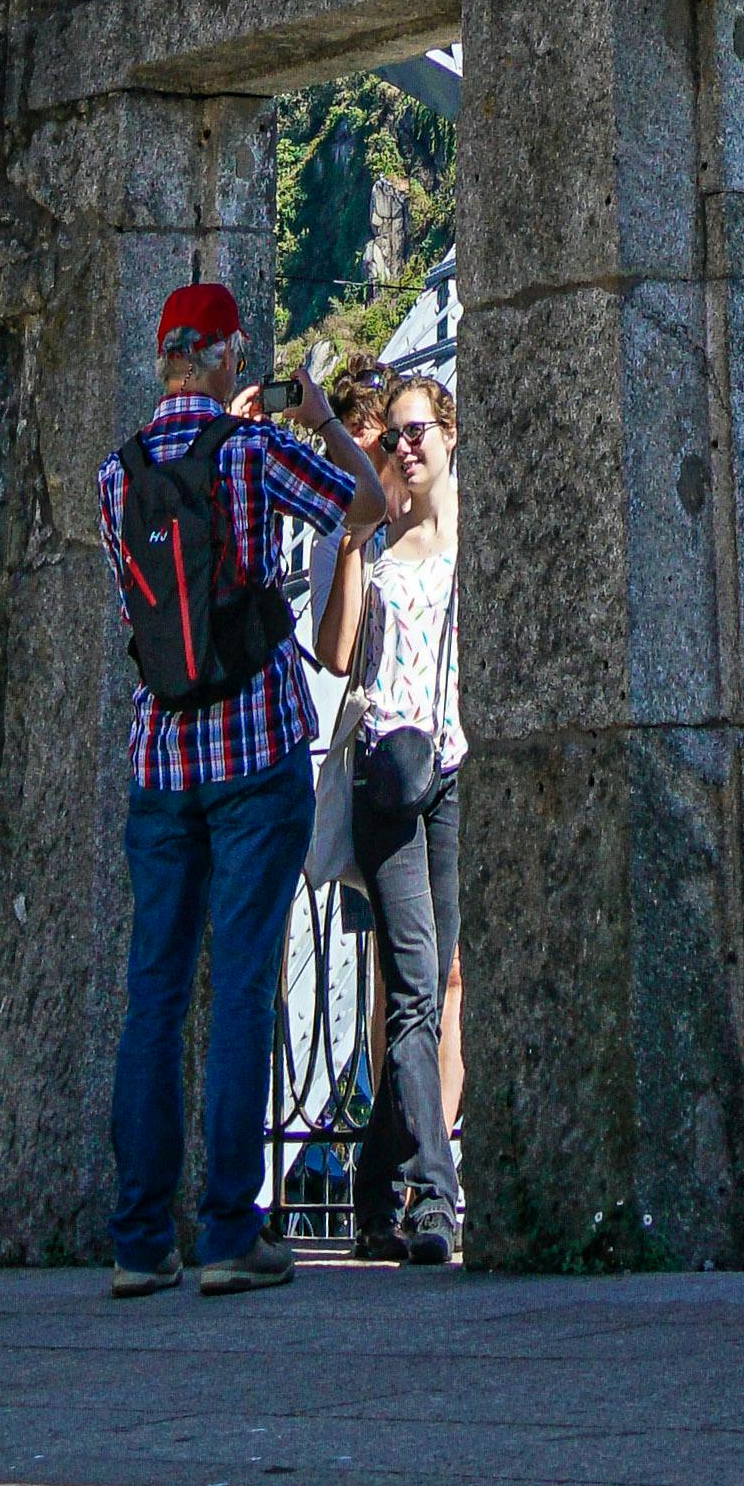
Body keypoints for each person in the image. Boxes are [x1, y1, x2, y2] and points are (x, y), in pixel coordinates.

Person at [98, 284, 360, 1297]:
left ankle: (136, 1239)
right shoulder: (252, 454)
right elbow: (361, 505)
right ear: (227, 353)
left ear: (164, 354)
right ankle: (227, 1229)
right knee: (243, 983)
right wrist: (318, 419)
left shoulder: (113, 478)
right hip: (254, 750)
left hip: (159, 757)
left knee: (154, 991)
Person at [338, 373, 465, 1268]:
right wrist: (351, 531)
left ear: (450, 436)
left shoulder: (479, 553)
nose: (406, 447)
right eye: (393, 439)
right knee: (414, 983)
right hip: (384, 777)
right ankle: (435, 1193)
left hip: (453, 776)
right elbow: (335, 651)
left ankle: (371, 1178)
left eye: (418, 432)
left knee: (436, 980)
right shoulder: (375, 553)